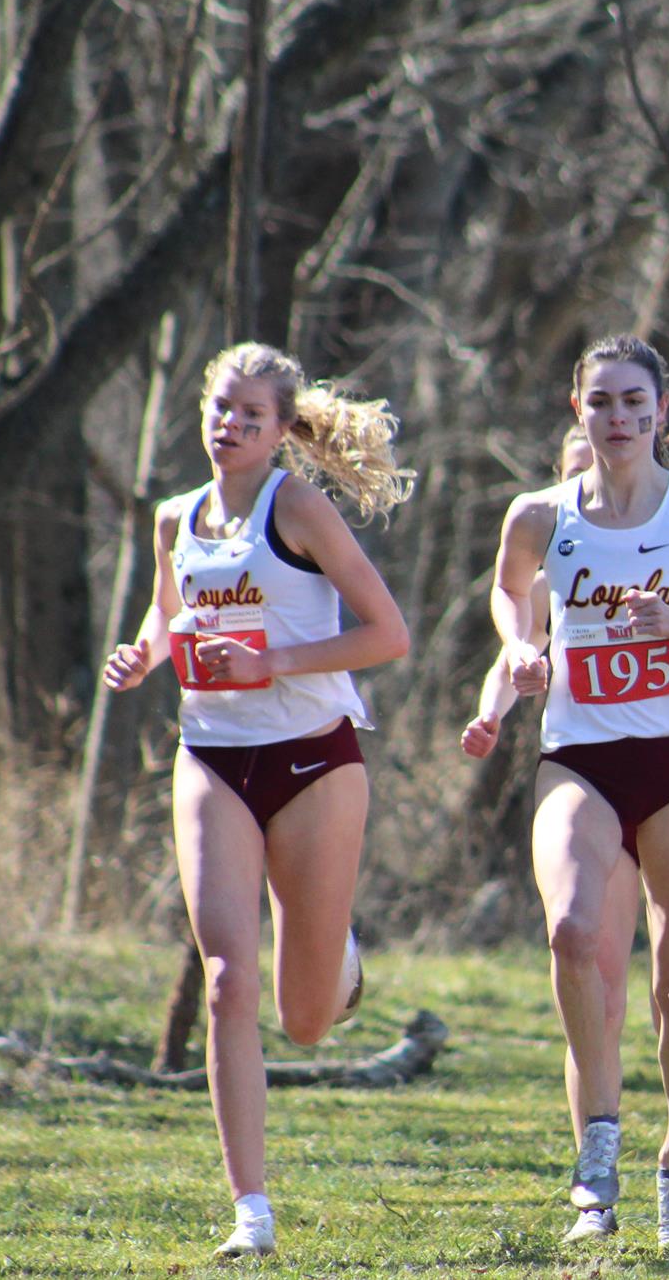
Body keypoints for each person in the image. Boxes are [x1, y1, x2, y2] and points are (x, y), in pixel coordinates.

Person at [101, 343, 414, 1259]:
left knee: (307, 1018)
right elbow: (171, 615)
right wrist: (144, 653)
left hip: (316, 761)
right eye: (220, 409)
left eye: (251, 414)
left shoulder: (298, 507)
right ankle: (252, 1210)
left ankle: (333, 944)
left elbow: (386, 632)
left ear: (282, 432)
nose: (229, 425)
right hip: (212, 758)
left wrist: (273, 661)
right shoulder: (174, 519)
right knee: (229, 979)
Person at [489, 335, 669, 1245]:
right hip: (580, 759)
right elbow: (507, 595)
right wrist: (521, 647)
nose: (616, 418)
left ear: (662, 413)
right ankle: (598, 1149)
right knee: (575, 934)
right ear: (575, 408)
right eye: (600, 401)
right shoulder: (540, 515)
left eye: (633, 402)